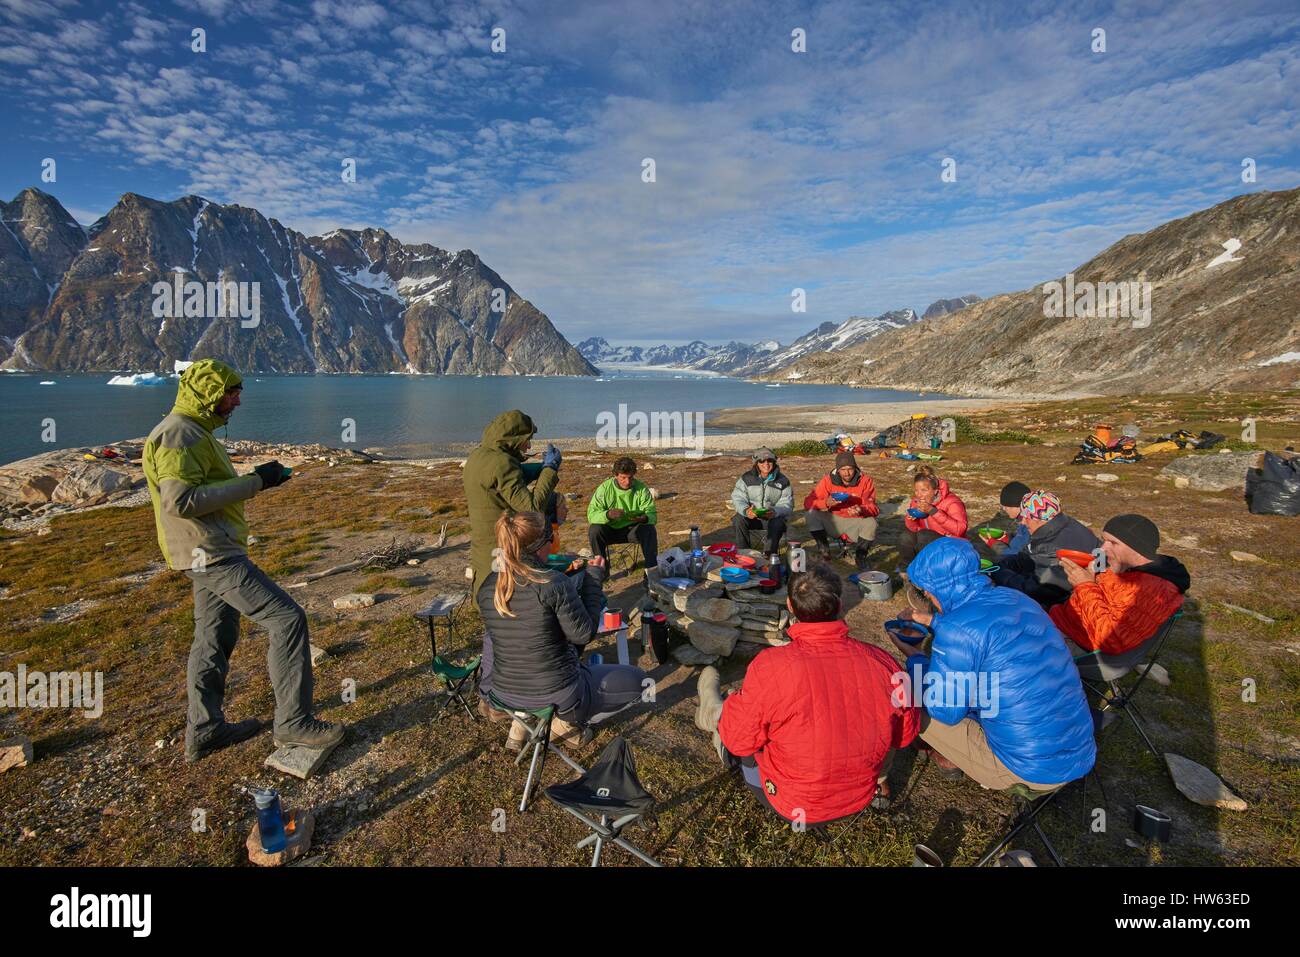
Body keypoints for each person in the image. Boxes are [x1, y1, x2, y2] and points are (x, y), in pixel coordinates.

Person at [142, 359, 344, 762]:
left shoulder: (194, 431)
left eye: (238, 392)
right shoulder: (180, 434)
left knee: (213, 637)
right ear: (207, 394)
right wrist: (256, 482)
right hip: (212, 554)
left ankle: (205, 729)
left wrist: (259, 477)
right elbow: (180, 501)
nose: (236, 400)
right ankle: (294, 723)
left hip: (205, 551)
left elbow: (203, 488)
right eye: (230, 393)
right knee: (287, 619)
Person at [694, 562, 920, 823]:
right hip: (859, 795)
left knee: (733, 724)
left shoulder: (770, 666)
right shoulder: (883, 663)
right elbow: (903, 737)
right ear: (841, 606)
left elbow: (740, 742)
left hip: (790, 801)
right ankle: (718, 708)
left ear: (790, 606)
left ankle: (713, 711)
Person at [886, 537, 1095, 792]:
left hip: (1028, 770)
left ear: (935, 589)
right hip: (1078, 750)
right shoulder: (1019, 600)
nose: (927, 598)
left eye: (925, 593)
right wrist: (933, 621)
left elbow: (945, 712)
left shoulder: (958, 630)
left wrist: (915, 657)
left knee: (905, 698)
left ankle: (948, 757)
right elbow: (981, 628)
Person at [477, 510, 647, 747]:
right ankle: (563, 726)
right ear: (540, 545)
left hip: (504, 692)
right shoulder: (552, 583)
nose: (554, 546)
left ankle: (520, 722)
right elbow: (584, 633)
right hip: (557, 691)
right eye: (551, 541)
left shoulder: (488, 587)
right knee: (641, 683)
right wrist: (593, 580)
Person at [1050, 514, 1190, 656]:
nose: (1103, 548)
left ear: (1136, 547)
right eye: (1104, 540)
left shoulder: (1152, 591)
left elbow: (1110, 640)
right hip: (1064, 623)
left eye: (1113, 543)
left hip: (1076, 643)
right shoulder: (1133, 572)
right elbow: (1116, 593)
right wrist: (1093, 577)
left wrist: (1085, 585)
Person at [464, 410, 561, 594]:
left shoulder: (479, 456)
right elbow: (532, 509)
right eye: (527, 439)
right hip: (502, 545)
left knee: (487, 593)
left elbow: (513, 476)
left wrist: (541, 467)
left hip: (483, 546)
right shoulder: (502, 463)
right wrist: (549, 469)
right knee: (505, 594)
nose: (528, 446)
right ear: (514, 438)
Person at [991, 490, 1100, 608]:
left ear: (1039, 518)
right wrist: (1002, 564)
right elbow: (1028, 556)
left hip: (1066, 608)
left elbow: (1036, 589)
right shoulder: (1063, 525)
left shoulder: (1054, 548)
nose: (1022, 522)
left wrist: (999, 573)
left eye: (1025, 517)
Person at [803, 450, 881, 569]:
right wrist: (826, 503)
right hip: (834, 521)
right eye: (843, 470)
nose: (847, 473)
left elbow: (874, 508)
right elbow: (808, 502)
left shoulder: (865, 481)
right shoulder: (828, 480)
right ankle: (824, 551)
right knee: (811, 514)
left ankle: (860, 557)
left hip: (855, 522)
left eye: (850, 469)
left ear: (855, 468)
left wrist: (861, 510)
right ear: (838, 470)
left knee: (871, 523)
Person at [586, 457, 658, 571]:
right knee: (594, 530)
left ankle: (651, 572)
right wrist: (607, 515)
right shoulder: (604, 489)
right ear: (615, 475)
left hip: (632, 530)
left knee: (649, 529)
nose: (627, 482)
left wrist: (645, 518)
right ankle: (601, 570)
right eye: (623, 478)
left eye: (630, 478)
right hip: (610, 529)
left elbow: (652, 514)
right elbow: (591, 515)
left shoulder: (641, 489)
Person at [898, 465, 968, 569]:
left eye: (924, 490)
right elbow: (913, 528)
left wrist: (933, 511)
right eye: (916, 490)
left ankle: (926, 572)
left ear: (935, 491)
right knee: (906, 536)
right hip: (926, 540)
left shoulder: (952, 502)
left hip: (952, 544)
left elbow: (959, 529)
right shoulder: (916, 502)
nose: (919, 495)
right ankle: (907, 571)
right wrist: (911, 518)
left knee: (924, 535)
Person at [730, 448, 794, 554]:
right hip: (752, 518)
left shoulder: (783, 481)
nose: (766, 464)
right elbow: (738, 498)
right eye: (762, 461)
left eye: (769, 460)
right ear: (756, 463)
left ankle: (769, 555)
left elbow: (787, 504)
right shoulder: (746, 478)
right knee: (738, 519)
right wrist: (746, 511)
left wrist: (774, 511)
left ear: (774, 462)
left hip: (772, 518)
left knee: (777, 523)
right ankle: (744, 553)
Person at [977, 481, 1031, 555]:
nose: (1004, 509)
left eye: (1006, 506)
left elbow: (1017, 555)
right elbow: (1020, 544)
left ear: (1018, 506)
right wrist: (1007, 540)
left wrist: (995, 545)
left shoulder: (1029, 526)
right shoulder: (1022, 520)